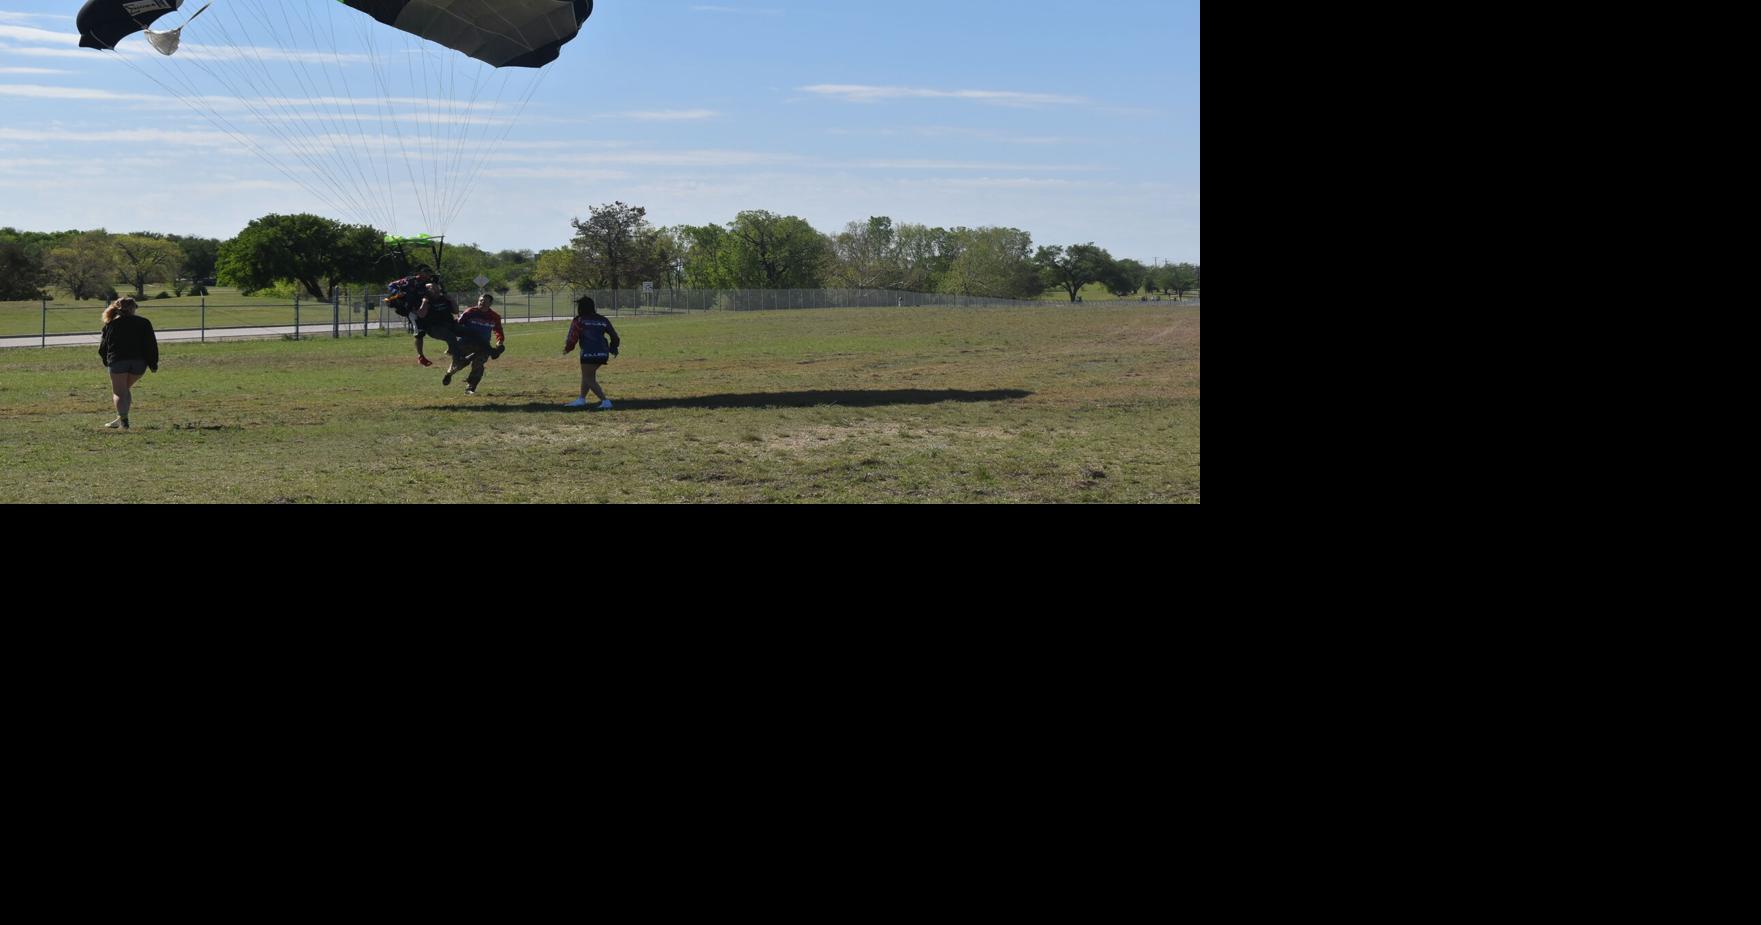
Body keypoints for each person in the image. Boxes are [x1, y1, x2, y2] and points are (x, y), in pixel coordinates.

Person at [96, 297, 159, 430]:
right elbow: (151, 345)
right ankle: (120, 419)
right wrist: (153, 363)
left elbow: (103, 347)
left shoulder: (111, 324)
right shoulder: (144, 322)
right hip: (139, 363)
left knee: (119, 392)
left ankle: (123, 421)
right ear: (133, 308)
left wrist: (106, 361)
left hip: (117, 361)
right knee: (125, 390)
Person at [563, 296, 619, 409]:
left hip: (588, 352)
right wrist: (613, 348)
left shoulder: (579, 320)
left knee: (588, 378)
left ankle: (605, 401)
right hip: (603, 352)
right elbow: (615, 336)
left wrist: (568, 348)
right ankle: (581, 399)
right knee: (588, 375)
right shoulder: (603, 319)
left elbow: (572, 337)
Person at [444, 293, 506, 395]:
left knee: (478, 365)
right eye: (481, 300)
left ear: (490, 303)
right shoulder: (470, 312)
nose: (482, 302)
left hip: (483, 346)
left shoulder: (494, 316)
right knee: (459, 364)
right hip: (466, 342)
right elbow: (458, 324)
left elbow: (498, 330)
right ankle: (449, 373)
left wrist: (500, 342)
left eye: (485, 301)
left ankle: (470, 388)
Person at [412, 282, 461, 368]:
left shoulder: (444, 299)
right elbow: (421, 315)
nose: (436, 289)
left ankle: (478, 350)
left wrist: (452, 300)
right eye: (432, 288)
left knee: (469, 331)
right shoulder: (424, 300)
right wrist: (424, 302)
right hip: (434, 328)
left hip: (449, 325)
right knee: (451, 337)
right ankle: (457, 361)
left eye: (437, 287)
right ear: (428, 291)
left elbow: (456, 311)